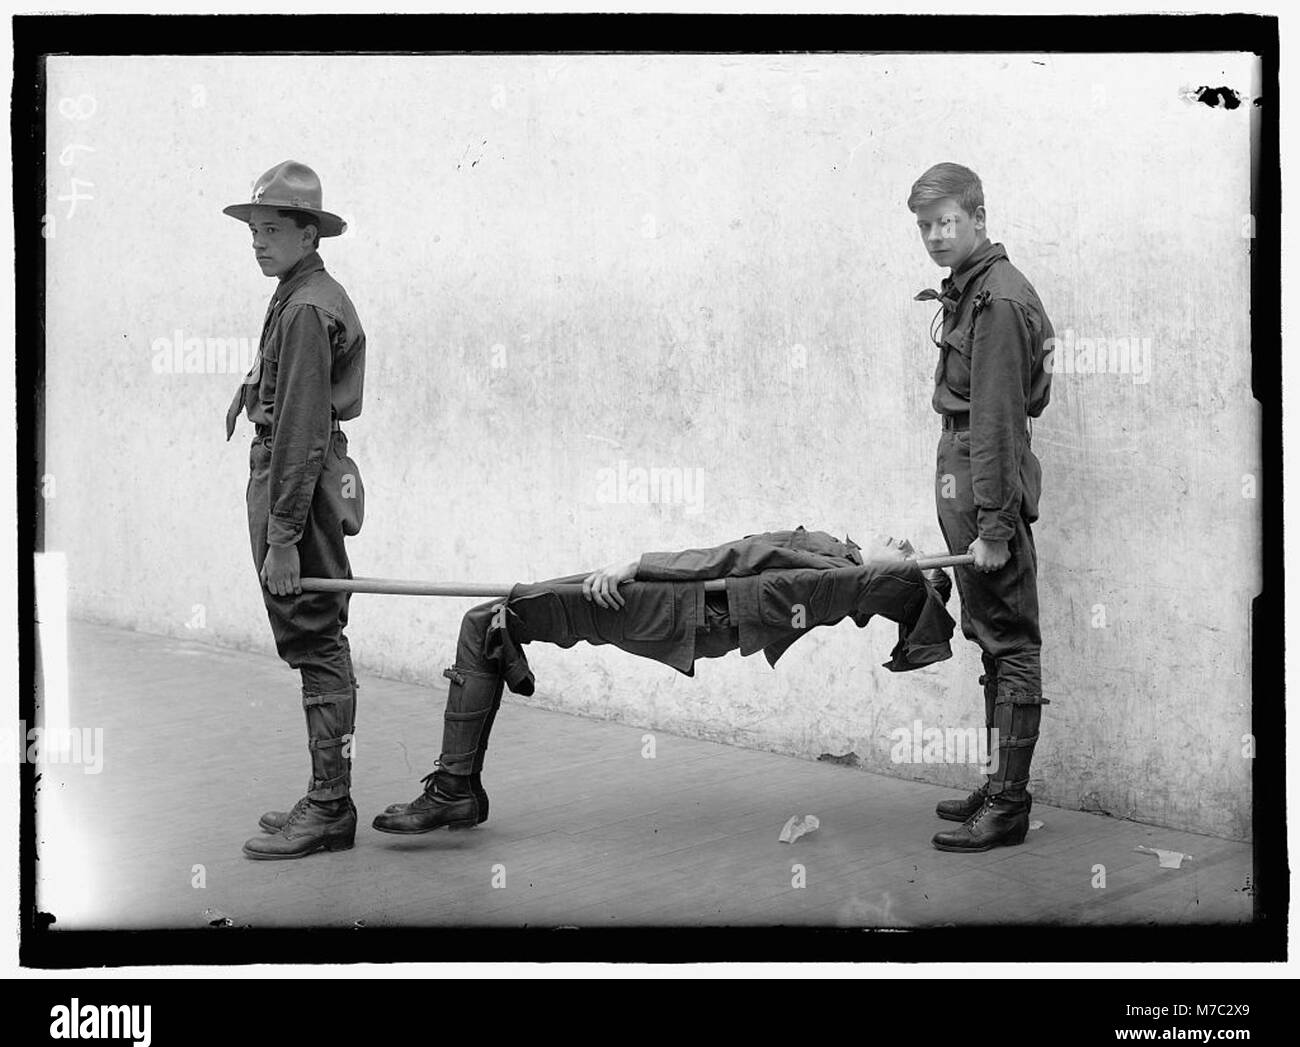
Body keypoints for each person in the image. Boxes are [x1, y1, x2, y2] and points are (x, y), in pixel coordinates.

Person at [365, 529, 956, 835]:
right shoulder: (844, 561)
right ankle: (462, 777)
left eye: (912, 552)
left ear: (904, 576)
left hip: (674, 604)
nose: (905, 543)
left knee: (492, 616)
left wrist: (639, 564)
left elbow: (731, 557)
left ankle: (454, 791)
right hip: (678, 602)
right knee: (497, 616)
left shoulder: (853, 576)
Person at [222, 161, 368, 860]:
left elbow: (303, 430)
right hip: (288, 477)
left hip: (296, 486)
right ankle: (324, 795)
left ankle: (331, 806)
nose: (257, 240)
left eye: (273, 228)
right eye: (254, 228)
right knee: (312, 637)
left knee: (316, 637)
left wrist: (283, 536)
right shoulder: (294, 293)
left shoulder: (309, 306)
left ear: (310, 234)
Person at [908, 162, 1053, 852]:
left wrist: (995, 525)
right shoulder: (971, 290)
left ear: (979, 218)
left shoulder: (997, 299)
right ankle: (996, 784)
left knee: (1012, 645)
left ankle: (1009, 805)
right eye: (925, 226)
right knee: (989, 639)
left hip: (982, 477)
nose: (936, 236)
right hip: (965, 478)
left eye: (947, 222)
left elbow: (998, 416)